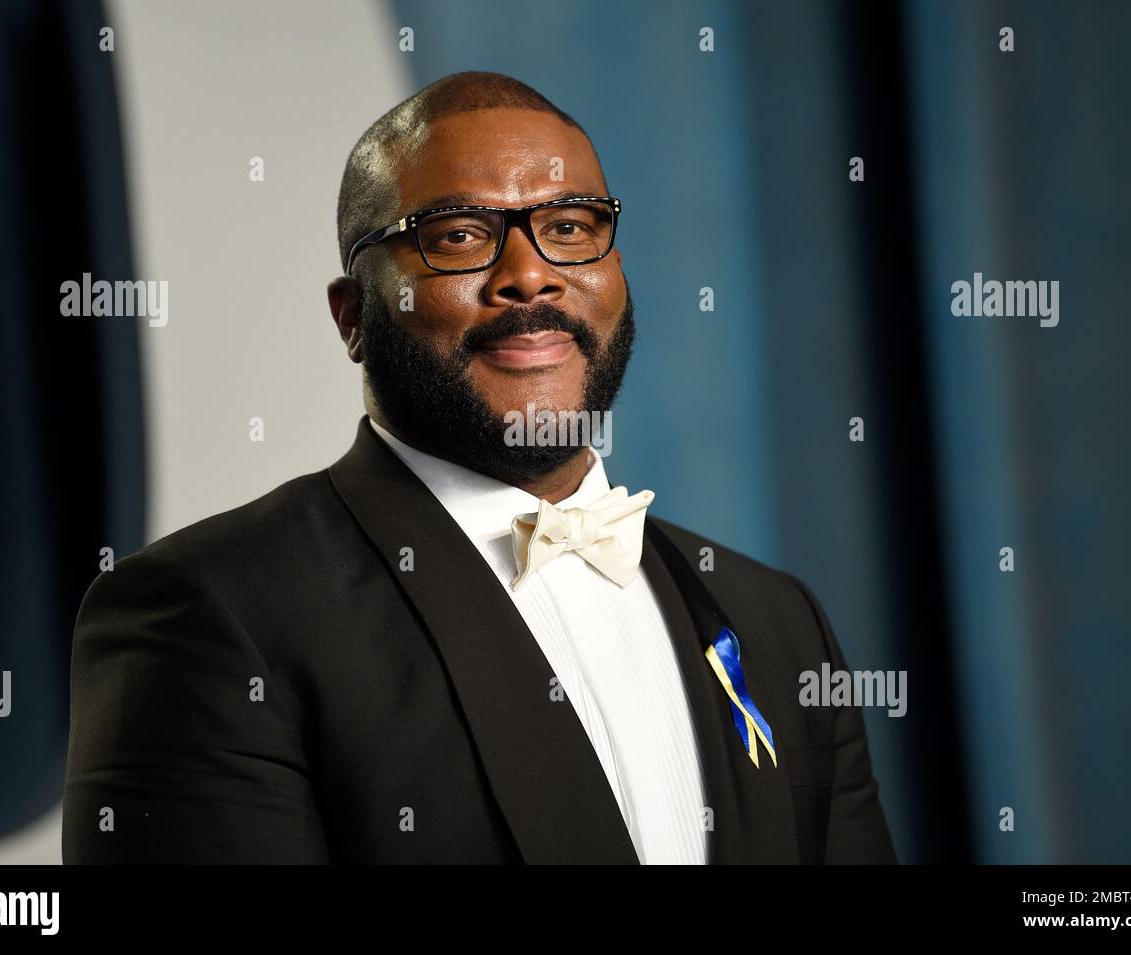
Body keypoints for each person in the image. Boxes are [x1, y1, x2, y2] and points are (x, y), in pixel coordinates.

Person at [63, 70, 897, 865]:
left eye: (569, 226)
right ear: (353, 318)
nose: (530, 274)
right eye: (458, 236)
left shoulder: (778, 623)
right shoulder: (209, 613)